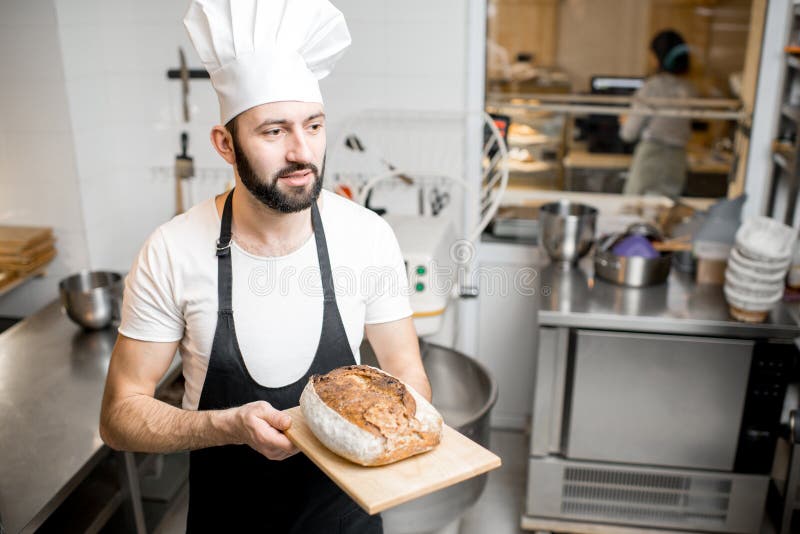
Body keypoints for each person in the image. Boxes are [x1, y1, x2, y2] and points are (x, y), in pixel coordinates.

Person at [99, 1, 431, 532]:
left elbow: (408, 373)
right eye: (274, 132)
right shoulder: (172, 250)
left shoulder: (367, 237)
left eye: (314, 126)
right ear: (225, 145)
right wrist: (227, 426)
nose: (303, 152)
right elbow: (119, 416)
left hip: (345, 521)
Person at [620, 29, 695, 198]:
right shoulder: (690, 89)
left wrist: (625, 121)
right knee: (665, 215)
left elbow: (628, 134)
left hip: (651, 157)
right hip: (677, 159)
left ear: (656, 57)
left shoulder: (652, 87)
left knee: (634, 211)